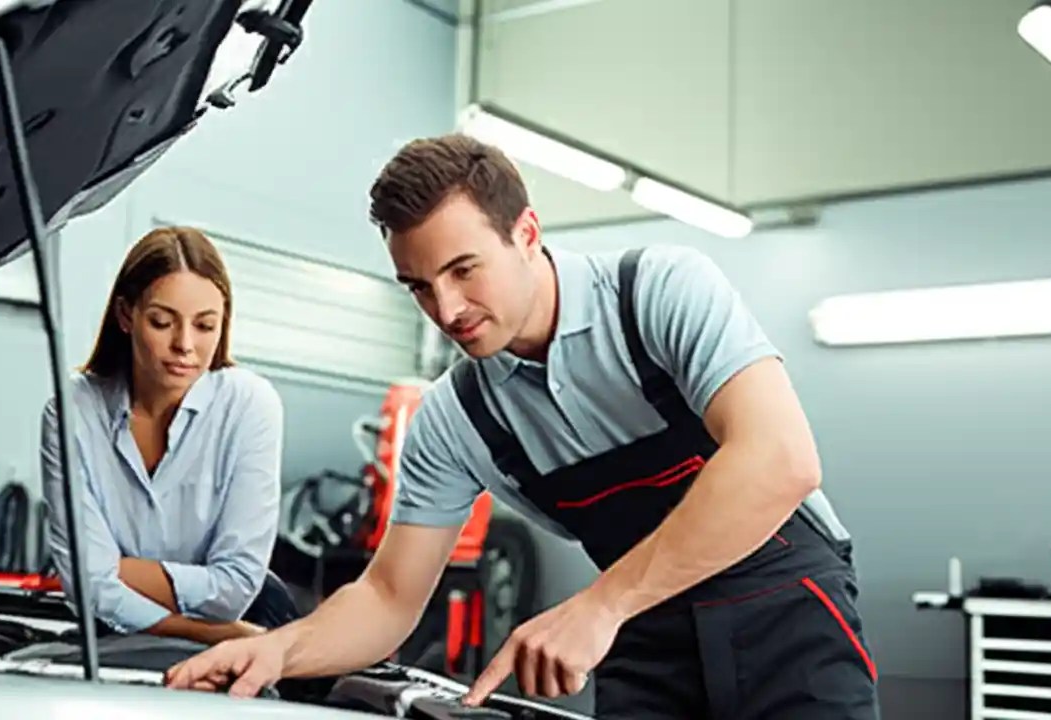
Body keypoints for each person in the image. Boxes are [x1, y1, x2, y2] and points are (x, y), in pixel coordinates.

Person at [163, 137, 879, 718]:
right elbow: (388, 597)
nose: (446, 309)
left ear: (527, 232)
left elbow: (779, 460)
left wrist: (600, 606)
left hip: (787, 612)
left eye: (463, 269)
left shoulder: (658, 292)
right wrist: (278, 651)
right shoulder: (453, 418)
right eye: (419, 286)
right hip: (645, 638)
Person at [40, 225, 294, 647]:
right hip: (198, 637)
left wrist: (114, 569)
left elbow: (234, 587)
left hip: (255, 631)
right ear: (126, 315)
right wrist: (201, 630)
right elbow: (88, 587)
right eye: (162, 322)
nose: (185, 345)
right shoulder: (73, 412)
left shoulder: (251, 405)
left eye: (205, 326)